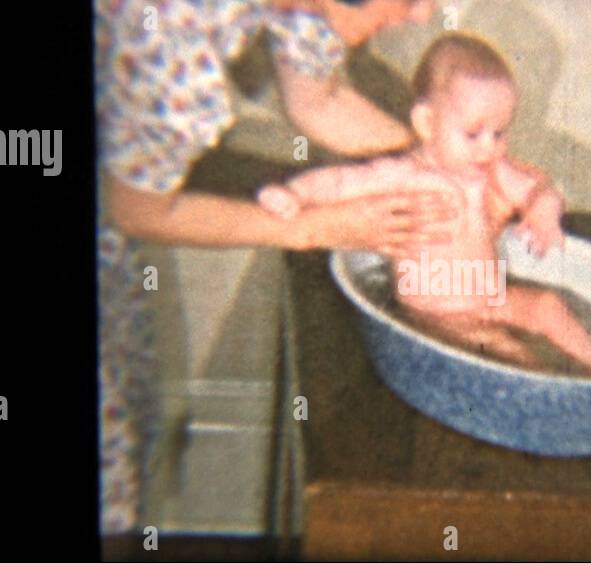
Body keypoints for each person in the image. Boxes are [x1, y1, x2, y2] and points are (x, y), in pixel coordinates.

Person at [96, 0, 452, 534]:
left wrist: (445, 163)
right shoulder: (170, 29)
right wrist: (312, 228)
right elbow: (136, 208)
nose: (424, 14)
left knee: (130, 432)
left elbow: (320, 102)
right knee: (109, 472)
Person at [258, 34, 591, 372]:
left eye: (499, 133)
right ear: (426, 122)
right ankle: (557, 395)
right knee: (509, 351)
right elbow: (341, 182)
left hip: (488, 300)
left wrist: (544, 212)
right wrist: (297, 194)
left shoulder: (490, 173)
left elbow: (539, 191)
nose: (488, 148)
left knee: (548, 306)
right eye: (473, 134)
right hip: (435, 315)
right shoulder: (406, 175)